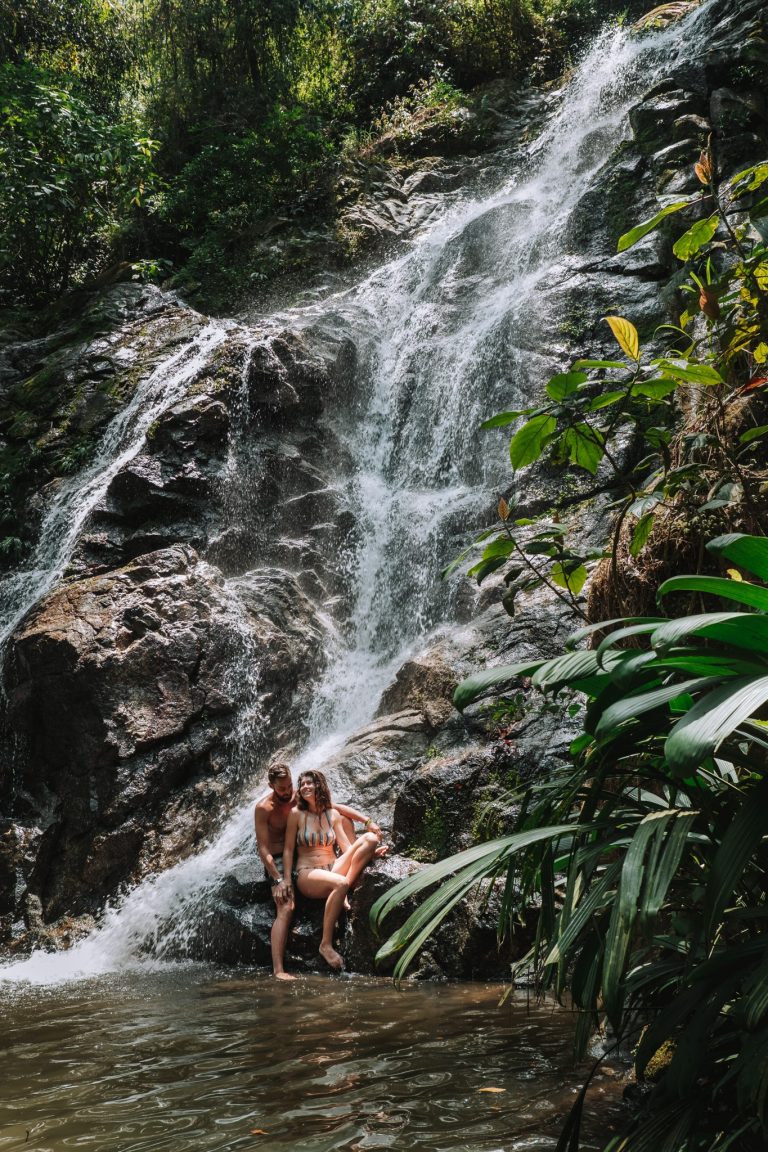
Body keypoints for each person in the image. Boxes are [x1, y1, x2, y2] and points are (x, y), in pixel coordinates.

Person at [254, 762, 381, 979]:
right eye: (282, 788)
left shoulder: (302, 798)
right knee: (286, 906)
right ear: (271, 786)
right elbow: (264, 848)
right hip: (280, 859)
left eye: (290, 785)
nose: (289, 791)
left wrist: (367, 823)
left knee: (363, 835)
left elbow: (338, 809)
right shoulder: (265, 808)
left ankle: (341, 890)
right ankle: (279, 970)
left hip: (317, 860)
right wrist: (280, 880)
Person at [282, 768, 386, 972]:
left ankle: (343, 889)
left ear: (319, 785)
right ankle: (326, 944)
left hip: (334, 868)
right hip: (307, 873)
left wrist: (370, 853)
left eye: (309, 783)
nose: (305, 787)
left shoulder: (333, 814)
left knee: (370, 839)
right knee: (341, 883)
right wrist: (286, 879)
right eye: (302, 784)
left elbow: (347, 849)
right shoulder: (296, 815)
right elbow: (287, 850)